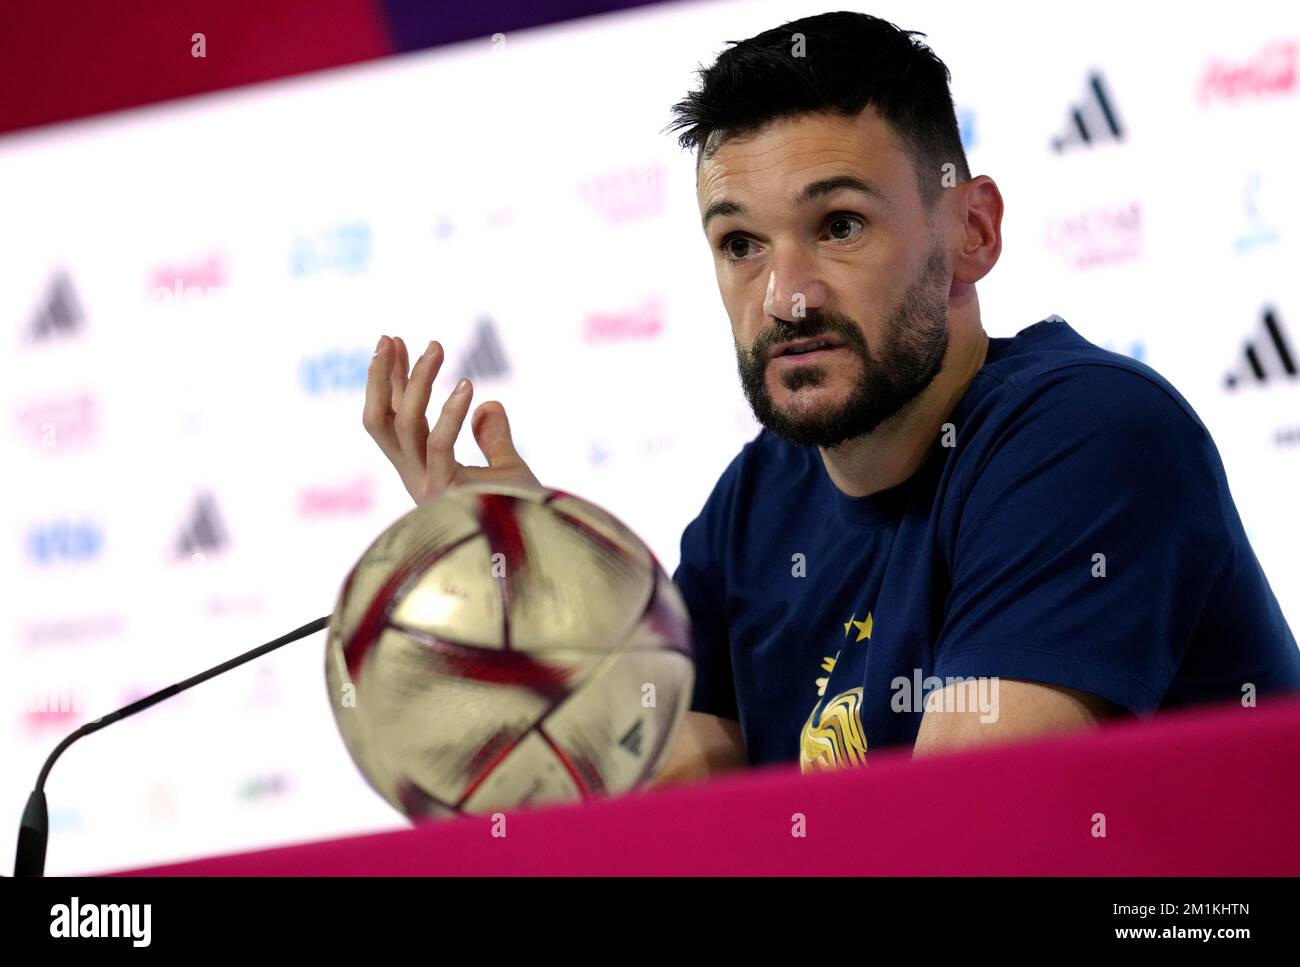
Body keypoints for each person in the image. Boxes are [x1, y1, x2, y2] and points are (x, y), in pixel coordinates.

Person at [362, 11, 1300, 785]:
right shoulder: (757, 504)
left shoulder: (1086, 436)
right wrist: (551, 592)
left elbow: (961, 832)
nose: (787, 295)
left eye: (839, 225)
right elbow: (666, 808)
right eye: (741, 244)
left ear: (972, 232)